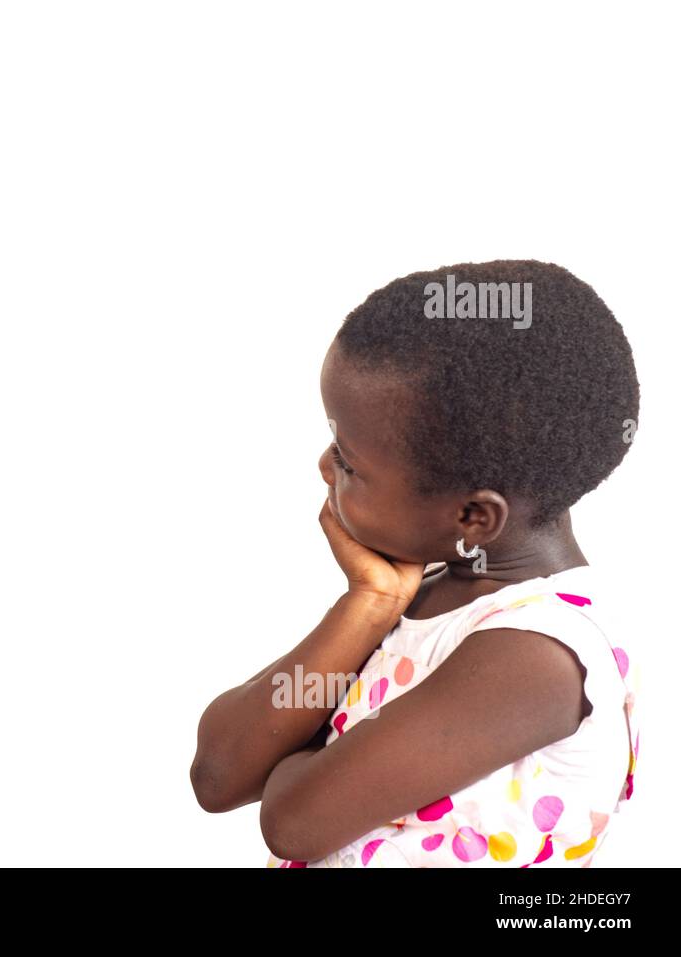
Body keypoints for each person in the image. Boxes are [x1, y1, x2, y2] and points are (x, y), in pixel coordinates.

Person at [190, 260, 641, 867]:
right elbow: (219, 776)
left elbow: (294, 821)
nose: (325, 467)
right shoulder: (413, 592)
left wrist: (303, 755)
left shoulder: (538, 654)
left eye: (349, 463)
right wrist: (368, 606)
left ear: (473, 519)